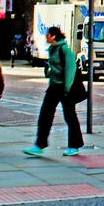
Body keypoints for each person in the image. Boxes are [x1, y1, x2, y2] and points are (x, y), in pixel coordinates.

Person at [25, 26, 84, 157]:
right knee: (45, 115)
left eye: (48, 34)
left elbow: (70, 70)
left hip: (64, 88)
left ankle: (74, 145)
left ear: (53, 36)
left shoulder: (64, 50)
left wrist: (67, 88)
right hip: (53, 87)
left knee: (70, 116)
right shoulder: (53, 49)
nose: (46, 36)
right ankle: (39, 145)